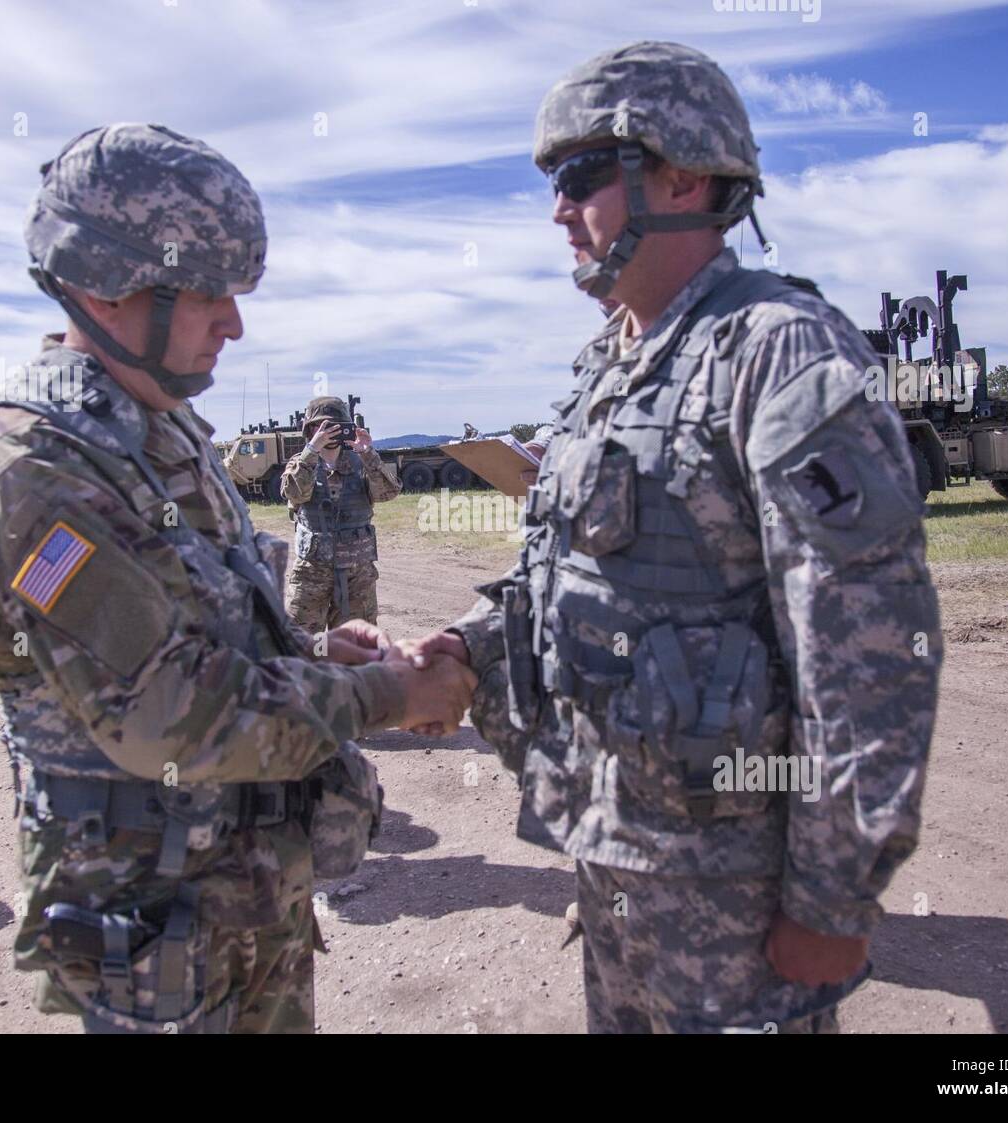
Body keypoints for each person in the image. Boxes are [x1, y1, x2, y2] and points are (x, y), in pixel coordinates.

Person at [392, 41, 942, 1033]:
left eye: (578, 176)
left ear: (682, 174)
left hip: (731, 901)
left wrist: (832, 899)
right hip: (613, 866)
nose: (558, 210)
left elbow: (869, 654)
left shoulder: (778, 350)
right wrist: (465, 649)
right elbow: (560, 571)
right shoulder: (609, 368)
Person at [0, 123, 474, 1034]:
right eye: (210, 290)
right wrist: (384, 691)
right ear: (106, 282)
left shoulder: (165, 430)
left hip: (248, 908)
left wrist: (314, 649)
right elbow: (169, 709)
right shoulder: (34, 470)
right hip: (155, 941)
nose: (235, 321)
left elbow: (201, 621)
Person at [282, 397, 401, 631]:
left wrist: (368, 453)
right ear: (310, 430)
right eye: (322, 426)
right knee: (300, 643)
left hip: (357, 574)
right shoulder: (301, 463)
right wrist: (311, 451)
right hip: (311, 573)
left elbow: (388, 493)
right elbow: (294, 493)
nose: (329, 431)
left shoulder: (362, 462)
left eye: (336, 426)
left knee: (357, 648)